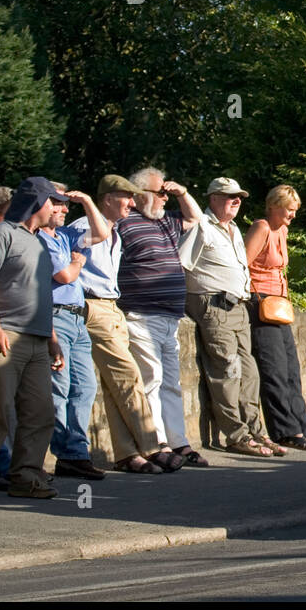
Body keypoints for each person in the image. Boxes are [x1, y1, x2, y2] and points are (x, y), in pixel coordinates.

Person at [77, 174, 188, 473]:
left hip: (112, 308)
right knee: (130, 379)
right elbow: (64, 265)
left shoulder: (113, 229)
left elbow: (192, 220)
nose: (131, 201)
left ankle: (127, 454)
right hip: (95, 306)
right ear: (108, 198)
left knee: (117, 387)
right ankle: (153, 447)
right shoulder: (85, 225)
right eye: (126, 196)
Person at [0, 176, 67, 503]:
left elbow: (42, 296)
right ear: (37, 202)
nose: (57, 207)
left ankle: (25, 476)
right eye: (52, 200)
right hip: (5, 335)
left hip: (38, 341)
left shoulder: (39, 242)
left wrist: (51, 338)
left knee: (41, 413)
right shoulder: (0, 234)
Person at [184, 177, 285, 456]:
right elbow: (180, 265)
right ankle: (236, 435)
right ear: (213, 198)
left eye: (239, 196)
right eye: (230, 196)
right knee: (227, 371)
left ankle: (255, 431)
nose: (237, 201)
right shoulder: (201, 226)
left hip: (238, 307)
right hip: (214, 306)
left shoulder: (233, 228)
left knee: (249, 374)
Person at [118, 169, 209, 465]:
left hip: (170, 315)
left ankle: (178, 441)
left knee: (171, 381)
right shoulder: (125, 223)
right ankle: (157, 443)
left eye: (166, 193)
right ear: (139, 193)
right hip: (140, 314)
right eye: (160, 193)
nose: (164, 198)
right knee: (151, 379)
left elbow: (197, 219)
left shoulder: (168, 222)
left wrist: (182, 192)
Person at [244, 185, 306, 450]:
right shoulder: (261, 227)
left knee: (292, 370)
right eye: (288, 209)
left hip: (279, 304)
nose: (292, 215)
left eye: (295, 210)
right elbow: (243, 264)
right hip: (260, 303)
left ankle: (304, 426)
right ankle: (285, 430)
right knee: (274, 370)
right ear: (273, 205)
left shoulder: (282, 229)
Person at [37, 183, 108, 481]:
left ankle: (76, 453)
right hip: (56, 316)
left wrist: (89, 201)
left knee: (85, 386)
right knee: (59, 388)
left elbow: (102, 234)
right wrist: (77, 262)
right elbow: (64, 274)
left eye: (68, 204)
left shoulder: (64, 236)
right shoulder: (39, 238)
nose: (66, 209)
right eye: (60, 203)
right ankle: (62, 452)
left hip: (77, 319)